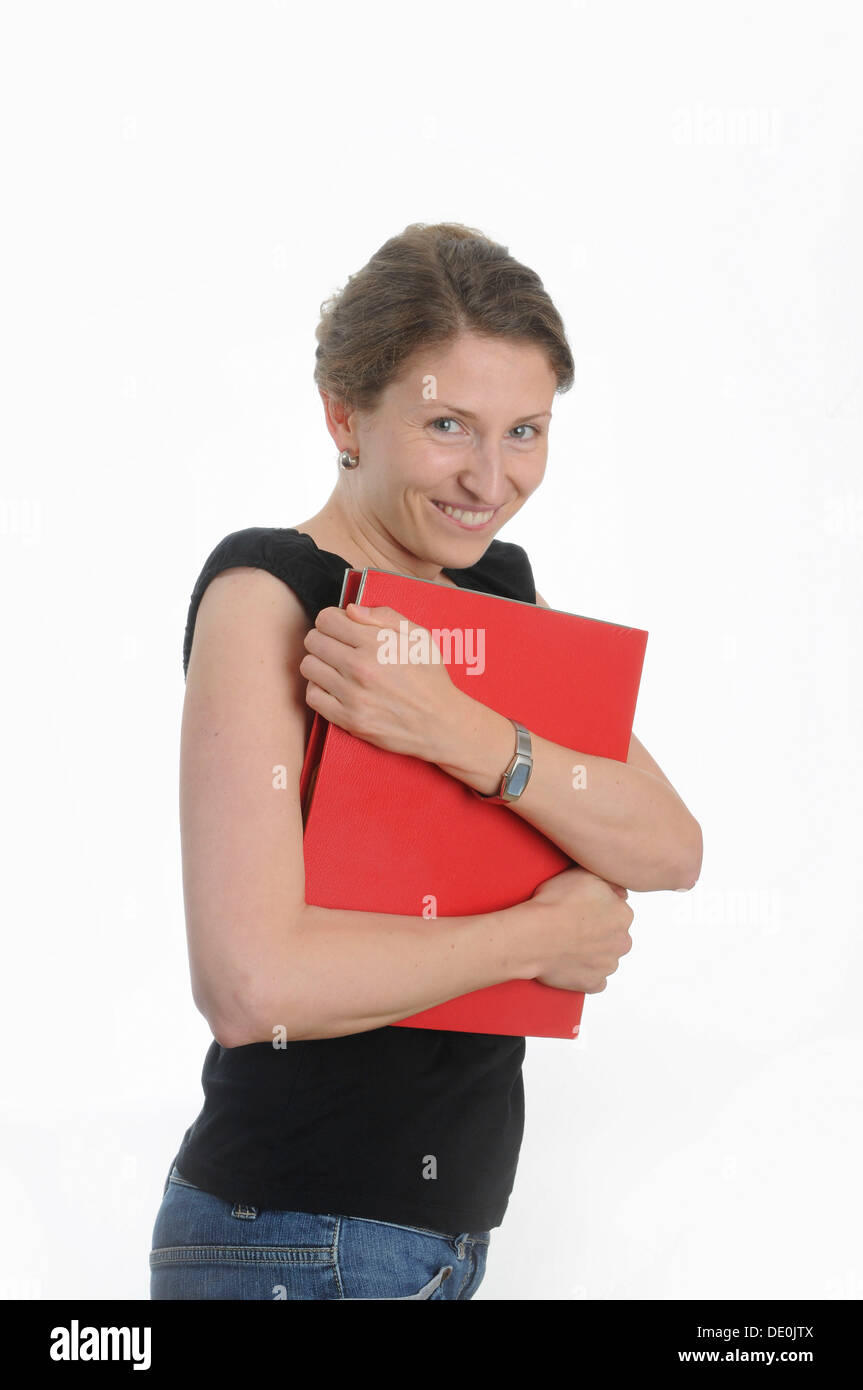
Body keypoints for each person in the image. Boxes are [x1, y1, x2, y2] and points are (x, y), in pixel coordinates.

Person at [149, 221, 702, 1300]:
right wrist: (539, 935)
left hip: (431, 1245)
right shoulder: (269, 594)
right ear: (343, 414)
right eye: (447, 425)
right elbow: (249, 984)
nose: (488, 480)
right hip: (290, 1234)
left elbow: (667, 844)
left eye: (525, 431)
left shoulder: (497, 594)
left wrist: (464, 733)